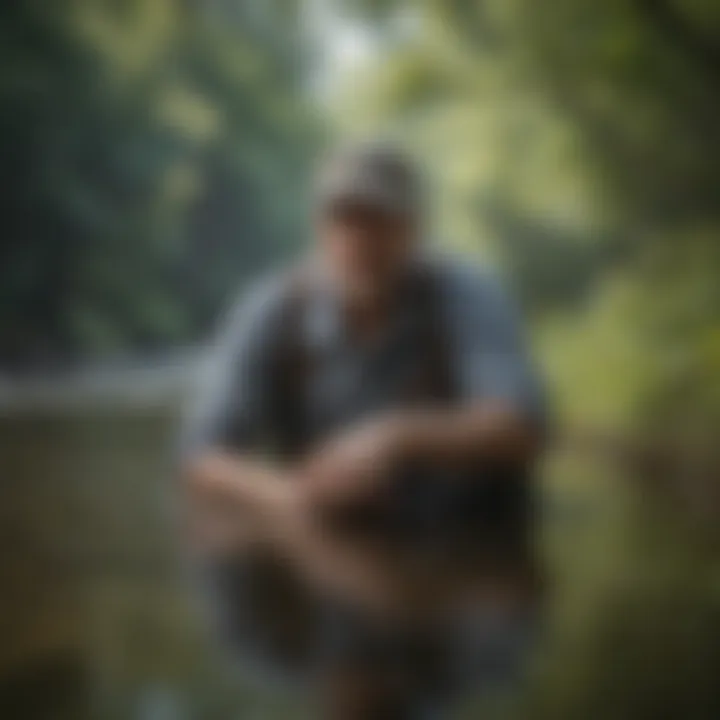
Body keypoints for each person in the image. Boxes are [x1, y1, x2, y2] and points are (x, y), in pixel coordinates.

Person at [180, 141, 548, 718]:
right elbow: (203, 457)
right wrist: (291, 496)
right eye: (343, 218)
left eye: (381, 219)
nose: (360, 238)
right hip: (325, 532)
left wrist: (394, 436)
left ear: (414, 229)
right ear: (319, 225)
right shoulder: (270, 308)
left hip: (462, 540)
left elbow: (522, 429)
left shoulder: (467, 293)